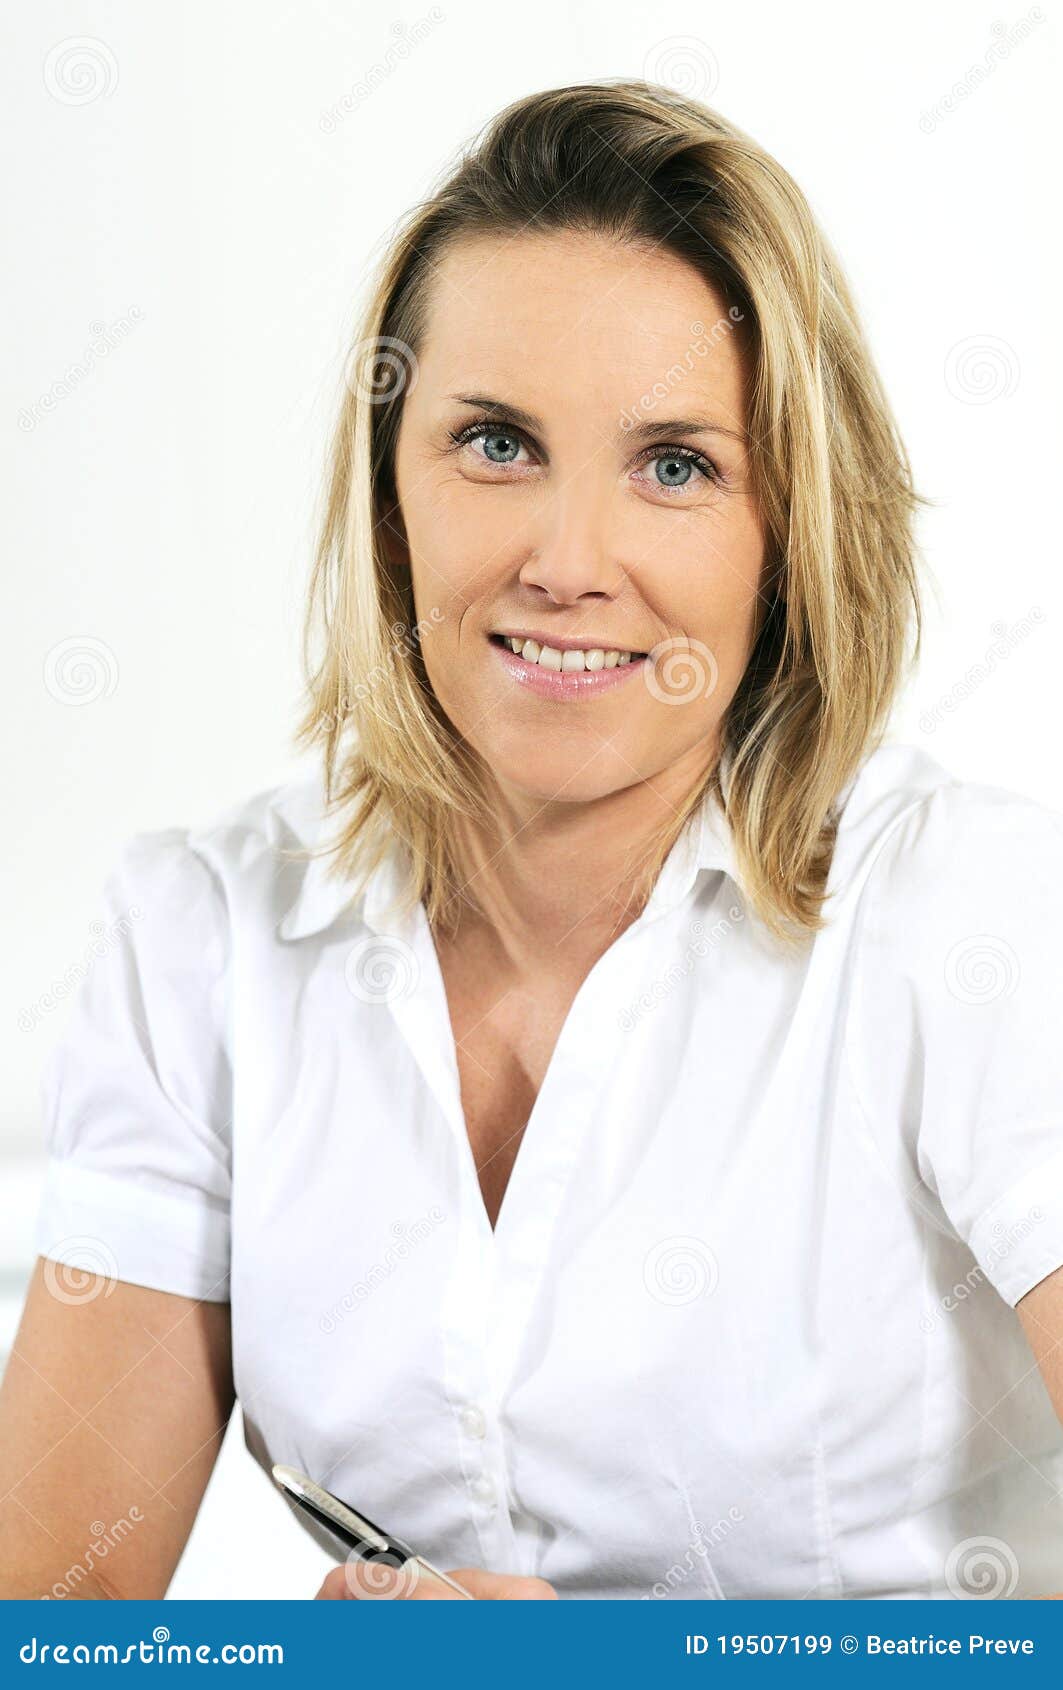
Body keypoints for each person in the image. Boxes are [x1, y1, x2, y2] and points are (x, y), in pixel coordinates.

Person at [3, 78, 1063, 1602]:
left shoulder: (979, 918)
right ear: (390, 496)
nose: (567, 562)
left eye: (676, 465)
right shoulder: (206, 934)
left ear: (790, 532)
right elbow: (52, 1634)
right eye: (495, 443)